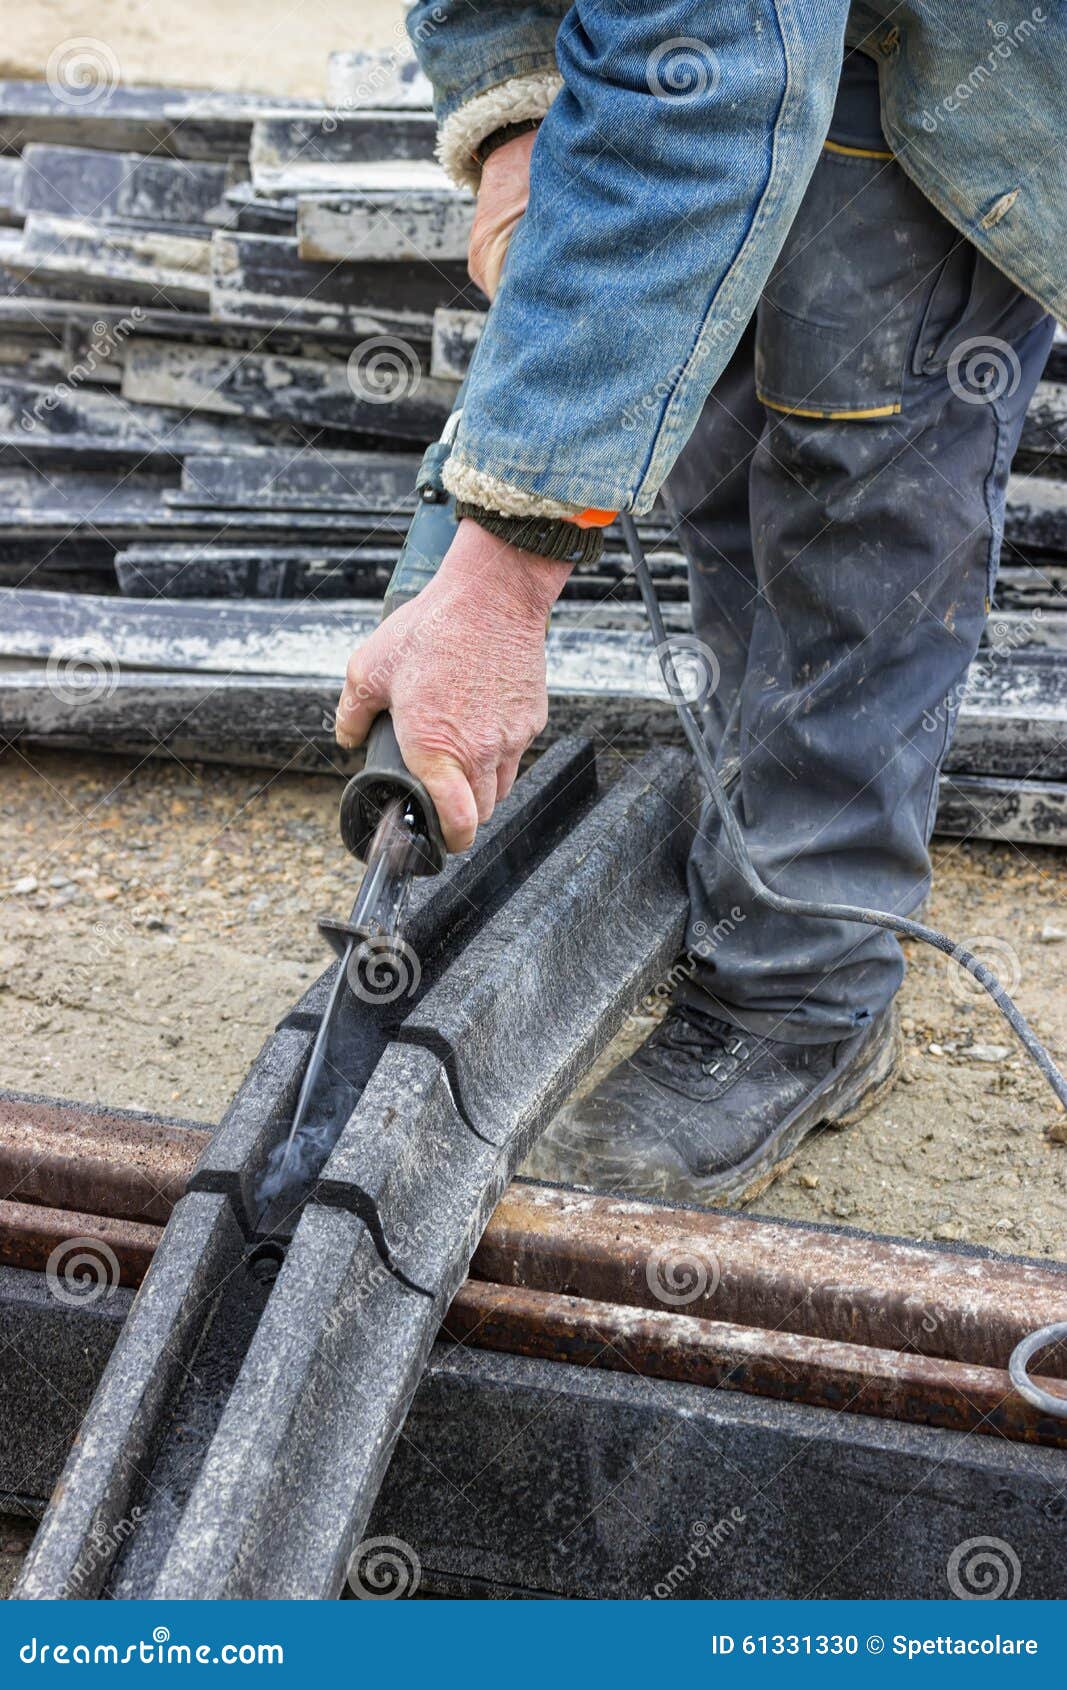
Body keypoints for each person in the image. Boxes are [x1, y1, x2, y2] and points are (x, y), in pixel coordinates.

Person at [336, 3, 1061, 1204]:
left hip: (939, 44)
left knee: (858, 492)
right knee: (714, 426)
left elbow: (707, 75)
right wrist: (517, 115)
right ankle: (758, 856)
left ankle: (803, 993)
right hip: (730, 42)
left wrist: (497, 581)